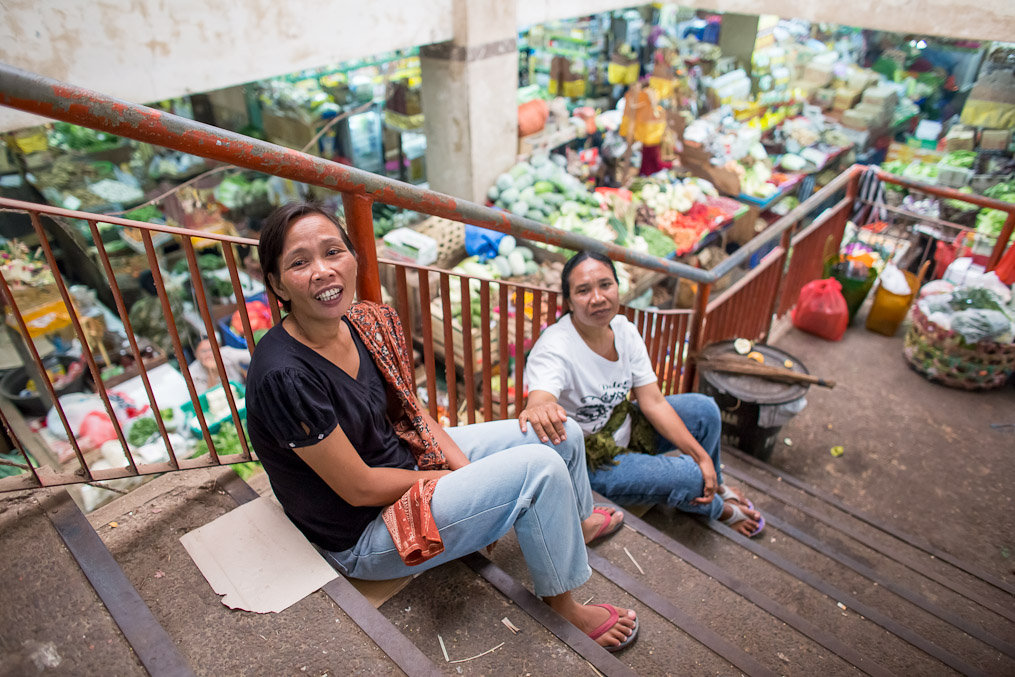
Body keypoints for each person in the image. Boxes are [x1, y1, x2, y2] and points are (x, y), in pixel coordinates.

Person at [244, 203, 638, 652]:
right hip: (370, 533)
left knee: (559, 435)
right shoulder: (285, 376)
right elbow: (358, 488)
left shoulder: (358, 324)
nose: (322, 271)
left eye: (333, 252)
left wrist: (466, 471)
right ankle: (564, 606)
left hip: (403, 462)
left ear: (352, 258)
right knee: (540, 468)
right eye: (299, 262)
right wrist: (462, 480)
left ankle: (577, 519)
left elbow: (414, 413)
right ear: (277, 284)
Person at [519, 250, 765, 537]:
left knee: (705, 410)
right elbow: (541, 397)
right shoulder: (555, 347)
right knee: (689, 474)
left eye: (605, 285)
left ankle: (714, 484)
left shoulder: (624, 330)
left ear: (617, 288)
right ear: (569, 301)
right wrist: (538, 406)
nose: (597, 298)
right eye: (583, 290)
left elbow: (654, 402)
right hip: (593, 463)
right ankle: (713, 506)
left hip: (627, 429)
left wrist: (702, 456)